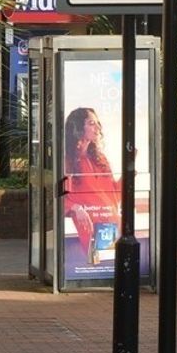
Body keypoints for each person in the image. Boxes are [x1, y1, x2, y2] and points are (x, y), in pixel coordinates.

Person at [63, 107, 122, 265]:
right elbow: (60, 195)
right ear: (78, 127)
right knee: (99, 262)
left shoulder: (99, 159)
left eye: (98, 123)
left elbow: (114, 195)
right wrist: (75, 208)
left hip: (111, 221)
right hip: (90, 225)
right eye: (91, 123)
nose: (98, 128)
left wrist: (130, 174)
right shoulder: (67, 160)